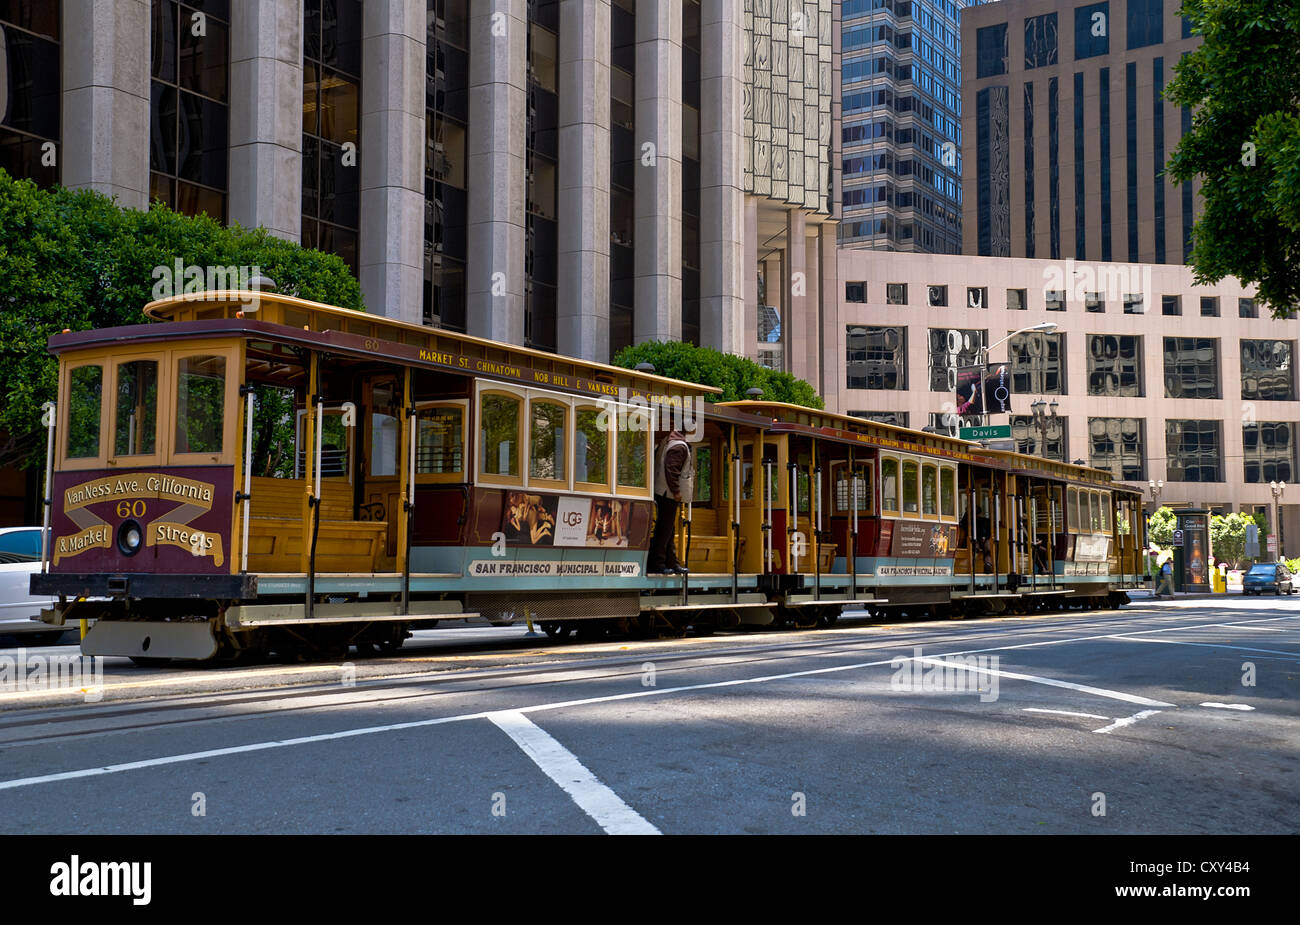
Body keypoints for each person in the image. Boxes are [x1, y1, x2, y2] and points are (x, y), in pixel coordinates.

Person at [649, 430, 693, 574]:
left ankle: (671, 562)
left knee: (668, 529)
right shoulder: (678, 446)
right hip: (668, 494)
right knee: (664, 530)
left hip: (663, 492)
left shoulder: (668, 442)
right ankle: (658, 563)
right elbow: (671, 469)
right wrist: (676, 491)